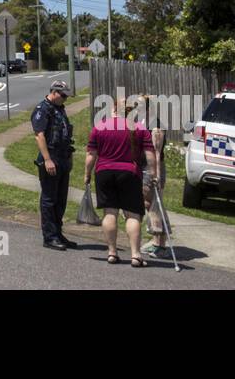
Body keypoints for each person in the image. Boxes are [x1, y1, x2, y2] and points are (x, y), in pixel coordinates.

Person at [84, 96, 157, 267]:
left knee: (110, 212)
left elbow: (91, 155)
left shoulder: (100, 127)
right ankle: (135, 255)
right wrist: (153, 174)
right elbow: (150, 155)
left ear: (113, 110)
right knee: (132, 214)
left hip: (104, 172)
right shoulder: (139, 128)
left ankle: (112, 252)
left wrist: (87, 174)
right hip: (129, 174)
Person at [31, 80, 76, 250]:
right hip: (51, 157)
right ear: (54, 92)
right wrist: (47, 159)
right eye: (63, 95)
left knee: (61, 198)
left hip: (63, 157)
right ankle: (49, 236)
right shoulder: (43, 109)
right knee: (49, 199)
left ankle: (58, 232)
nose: (65, 99)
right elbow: (39, 135)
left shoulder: (59, 109)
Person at [136, 95, 169, 258]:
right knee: (149, 204)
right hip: (144, 167)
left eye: (141, 106)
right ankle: (156, 241)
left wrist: (155, 175)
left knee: (154, 205)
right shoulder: (143, 123)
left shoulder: (156, 126)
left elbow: (156, 153)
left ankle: (160, 245)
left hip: (153, 168)